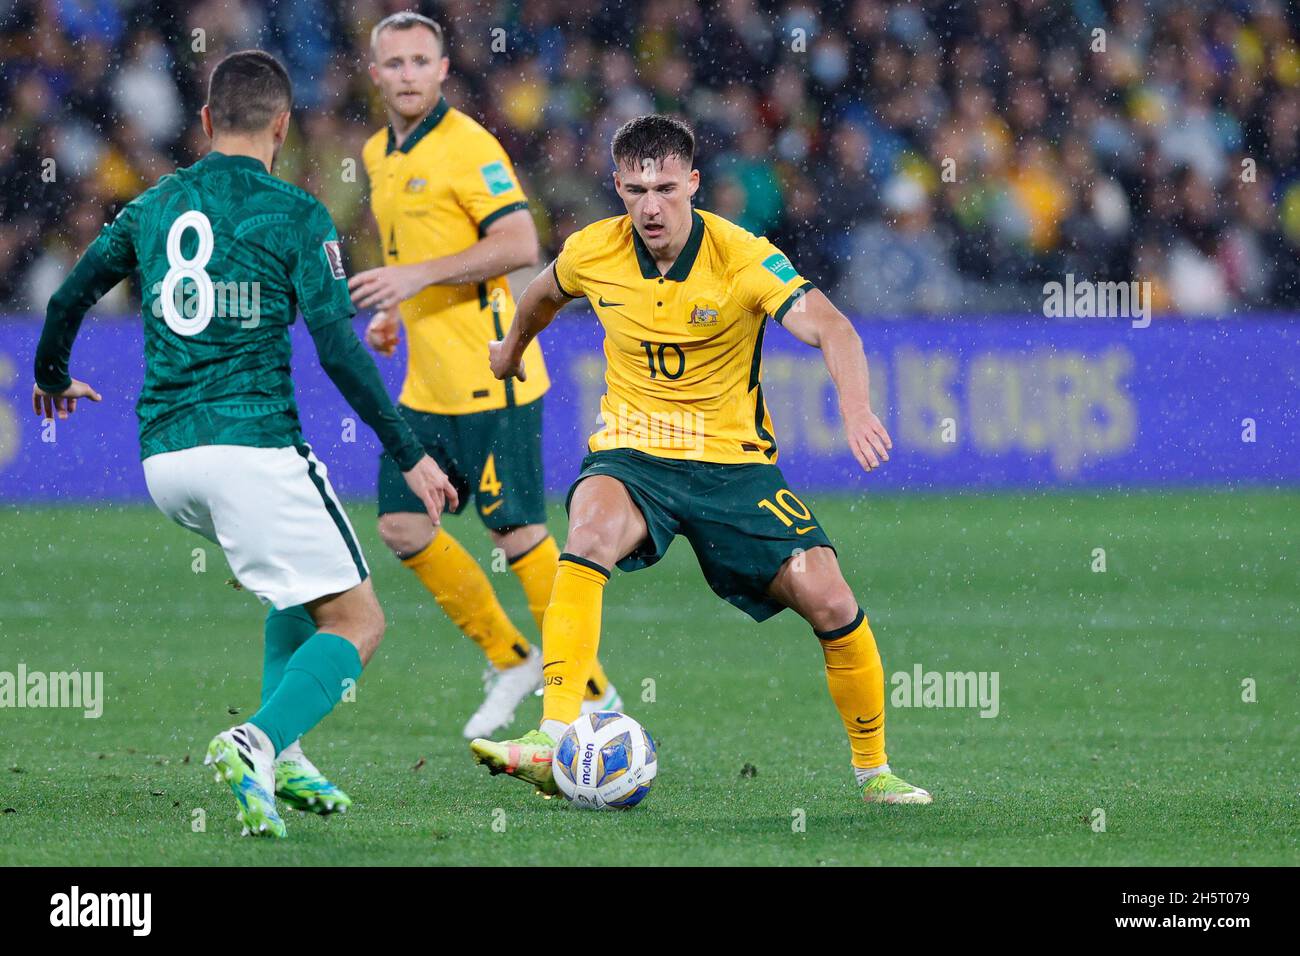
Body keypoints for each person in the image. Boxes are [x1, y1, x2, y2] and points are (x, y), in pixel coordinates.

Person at [31, 50, 457, 837]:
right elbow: (338, 350)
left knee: (297, 586)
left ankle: (285, 754)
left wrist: (53, 375)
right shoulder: (297, 213)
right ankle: (253, 739)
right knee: (359, 621)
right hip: (250, 444)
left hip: (164, 460)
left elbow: (66, 297)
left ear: (204, 122)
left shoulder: (153, 205)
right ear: (283, 126)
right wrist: (409, 451)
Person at [471, 115, 931, 805]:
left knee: (831, 600)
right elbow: (540, 294)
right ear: (617, 188)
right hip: (633, 453)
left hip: (733, 466)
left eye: (664, 188)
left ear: (692, 183)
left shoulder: (741, 255)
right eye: (634, 190)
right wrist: (510, 350)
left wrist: (857, 408)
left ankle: (875, 772)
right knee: (589, 531)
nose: (650, 206)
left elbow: (831, 326)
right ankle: (554, 730)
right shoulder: (593, 249)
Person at [349, 12, 619, 740]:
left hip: (493, 373)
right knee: (403, 525)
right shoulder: (378, 152)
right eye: (393, 62)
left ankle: (593, 692)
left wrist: (414, 278)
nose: (407, 74)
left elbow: (518, 243)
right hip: (424, 384)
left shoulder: (469, 146)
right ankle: (512, 658)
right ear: (374, 74)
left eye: (419, 61)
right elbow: (425, 257)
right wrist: (398, 314)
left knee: (517, 531)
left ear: (443, 70)